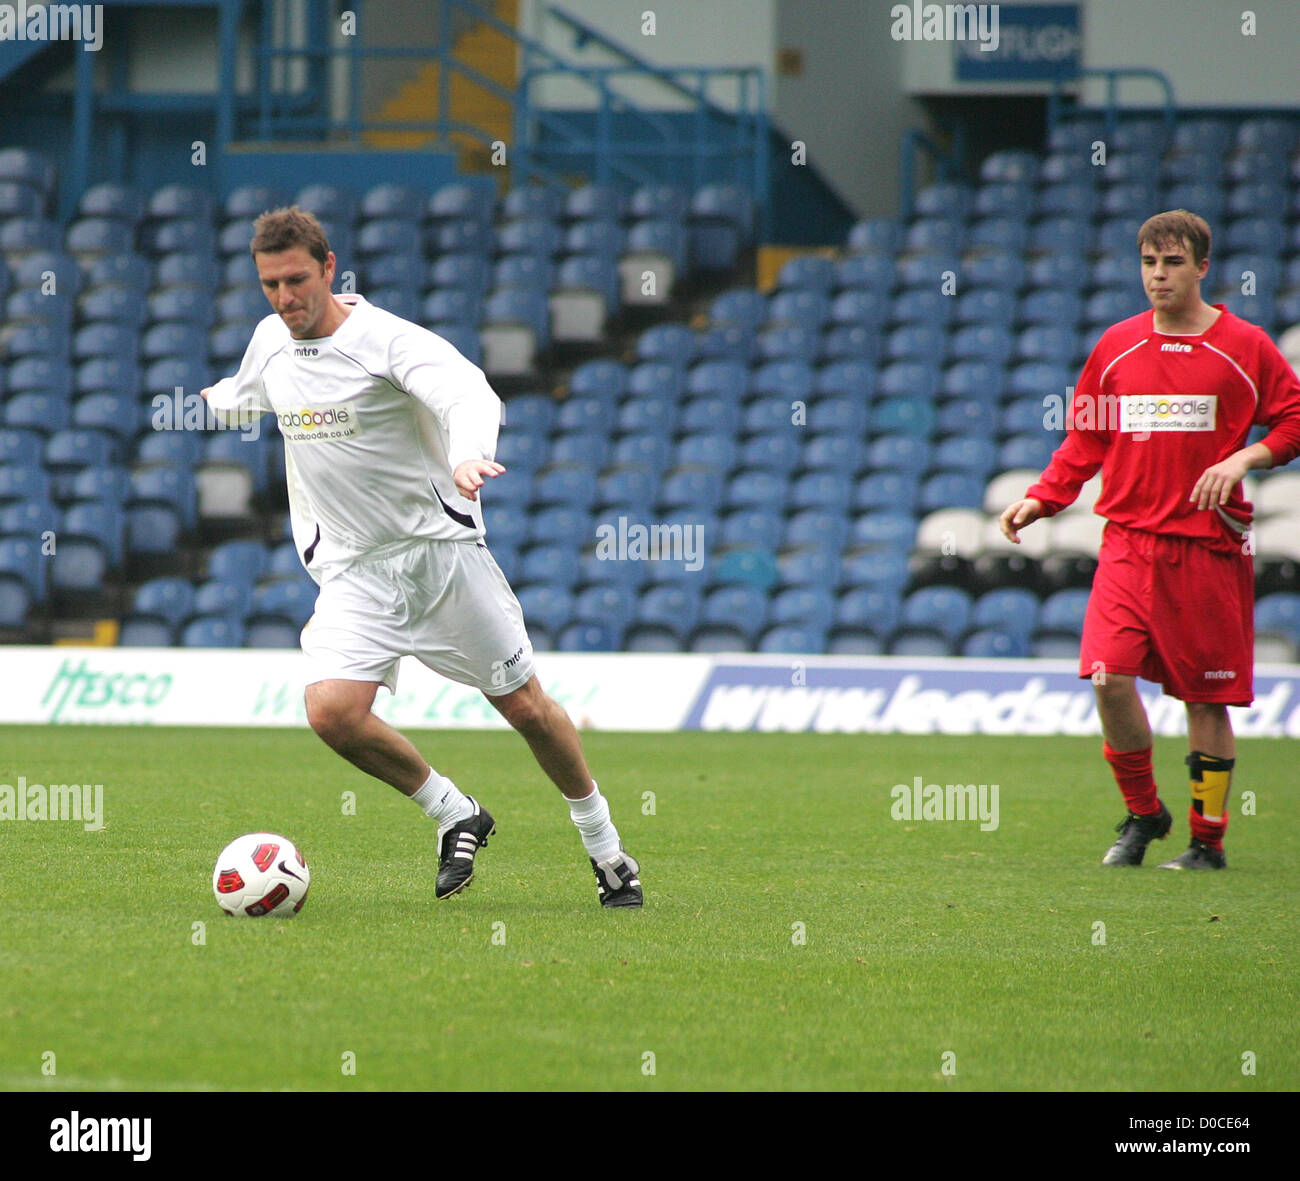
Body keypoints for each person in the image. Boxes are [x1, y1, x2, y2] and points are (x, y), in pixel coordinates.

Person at [202, 206, 642, 907]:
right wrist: (213, 405)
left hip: (439, 557)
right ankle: (454, 811)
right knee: (332, 713)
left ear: (328, 267)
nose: (285, 298)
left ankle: (607, 848)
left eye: (295, 280)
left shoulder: (386, 341)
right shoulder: (270, 341)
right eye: (269, 285)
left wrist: (470, 454)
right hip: (352, 569)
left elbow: (466, 392)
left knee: (527, 710)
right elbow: (246, 395)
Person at [999, 209, 1300, 870]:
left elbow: (1294, 416)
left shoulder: (1245, 346)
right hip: (1130, 543)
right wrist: (1042, 496)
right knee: (1107, 677)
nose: (1158, 276)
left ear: (1201, 267)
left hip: (1208, 547)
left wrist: (1243, 459)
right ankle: (1144, 813)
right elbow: (1087, 436)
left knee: (1206, 697)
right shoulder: (1117, 346)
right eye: (1148, 263)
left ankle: (1207, 842)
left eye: (1171, 263)